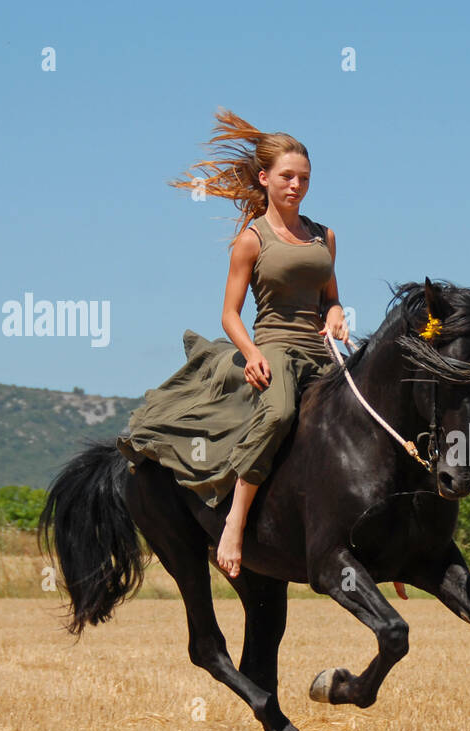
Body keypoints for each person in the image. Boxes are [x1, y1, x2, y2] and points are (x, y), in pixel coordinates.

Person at [116, 108, 350, 579]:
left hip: (320, 351)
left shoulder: (324, 236)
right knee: (280, 413)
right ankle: (235, 524)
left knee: (367, 418)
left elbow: (331, 297)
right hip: (276, 347)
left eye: (303, 178)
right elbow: (229, 314)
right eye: (287, 177)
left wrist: (337, 314)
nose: (296, 186)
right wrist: (253, 354)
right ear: (264, 178)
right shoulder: (251, 240)